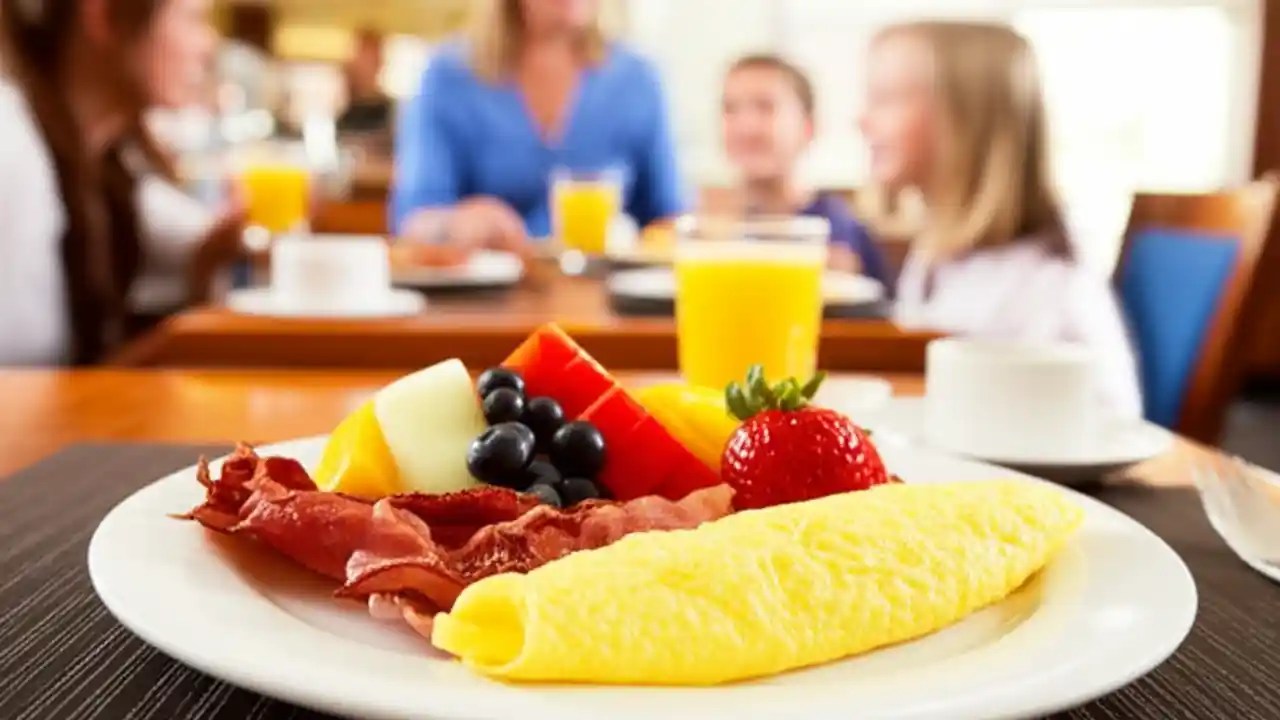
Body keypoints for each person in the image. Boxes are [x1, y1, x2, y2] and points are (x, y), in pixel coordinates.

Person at [860, 21, 1141, 416]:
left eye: (887, 98)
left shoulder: (1045, 288)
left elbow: (1112, 418)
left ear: (964, 120)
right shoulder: (937, 254)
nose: (862, 121)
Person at [0, 0, 241, 366]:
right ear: (102, 15)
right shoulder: (13, 150)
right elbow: (17, 377)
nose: (207, 45)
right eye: (193, 19)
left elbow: (193, 235)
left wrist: (224, 242)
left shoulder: (106, 160)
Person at [392, 0, 685, 253]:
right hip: (485, 307)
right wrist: (458, 223)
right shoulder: (448, 75)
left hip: (604, 305)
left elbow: (671, 218)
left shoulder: (638, 79)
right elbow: (412, 219)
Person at [722, 54, 889, 286]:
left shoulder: (839, 230)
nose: (747, 126)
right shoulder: (706, 231)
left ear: (808, 128)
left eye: (766, 107)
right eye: (730, 109)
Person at [337, 29, 394, 138]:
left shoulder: (391, 112)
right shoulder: (340, 106)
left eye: (373, 57)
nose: (367, 65)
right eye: (364, 56)